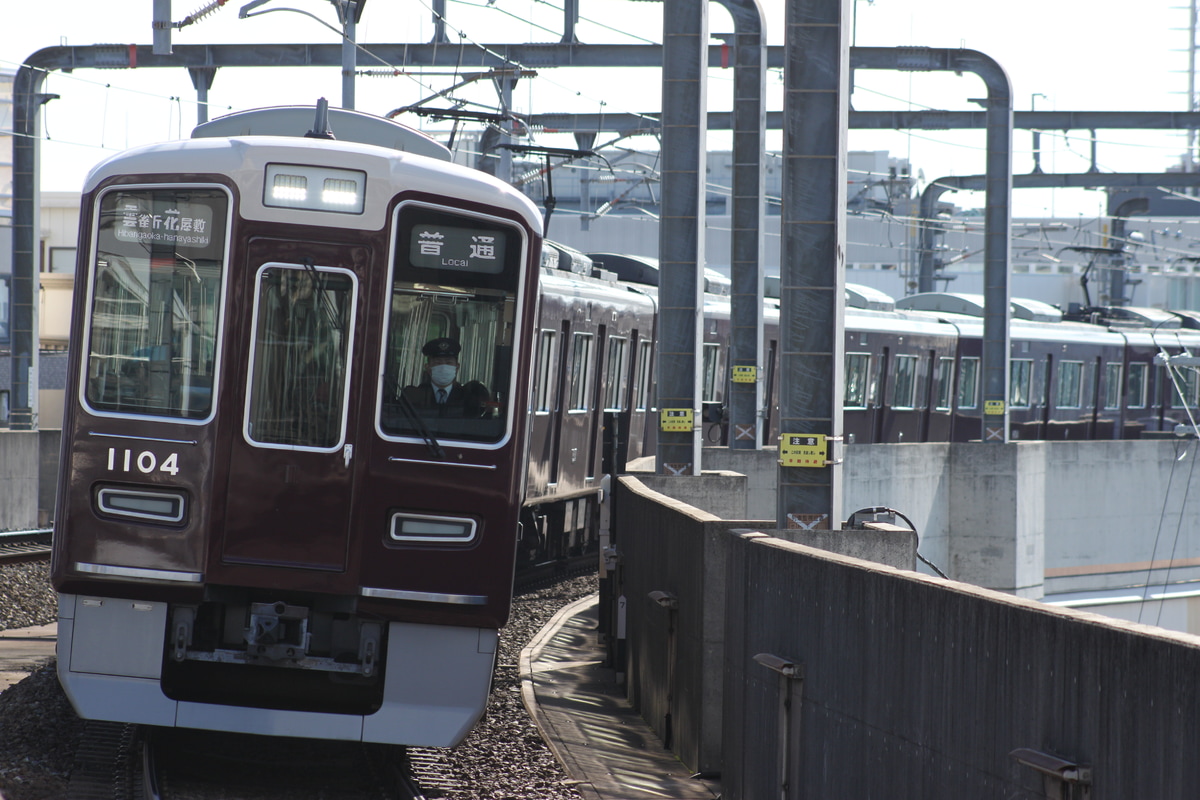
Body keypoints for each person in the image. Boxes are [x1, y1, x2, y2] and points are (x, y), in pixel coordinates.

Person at [401, 337, 493, 418]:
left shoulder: (469, 396)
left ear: (457, 367)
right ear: (428, 368)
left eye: (448, 363)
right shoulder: (413, 396)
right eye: (438, 363)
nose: (443, 367)